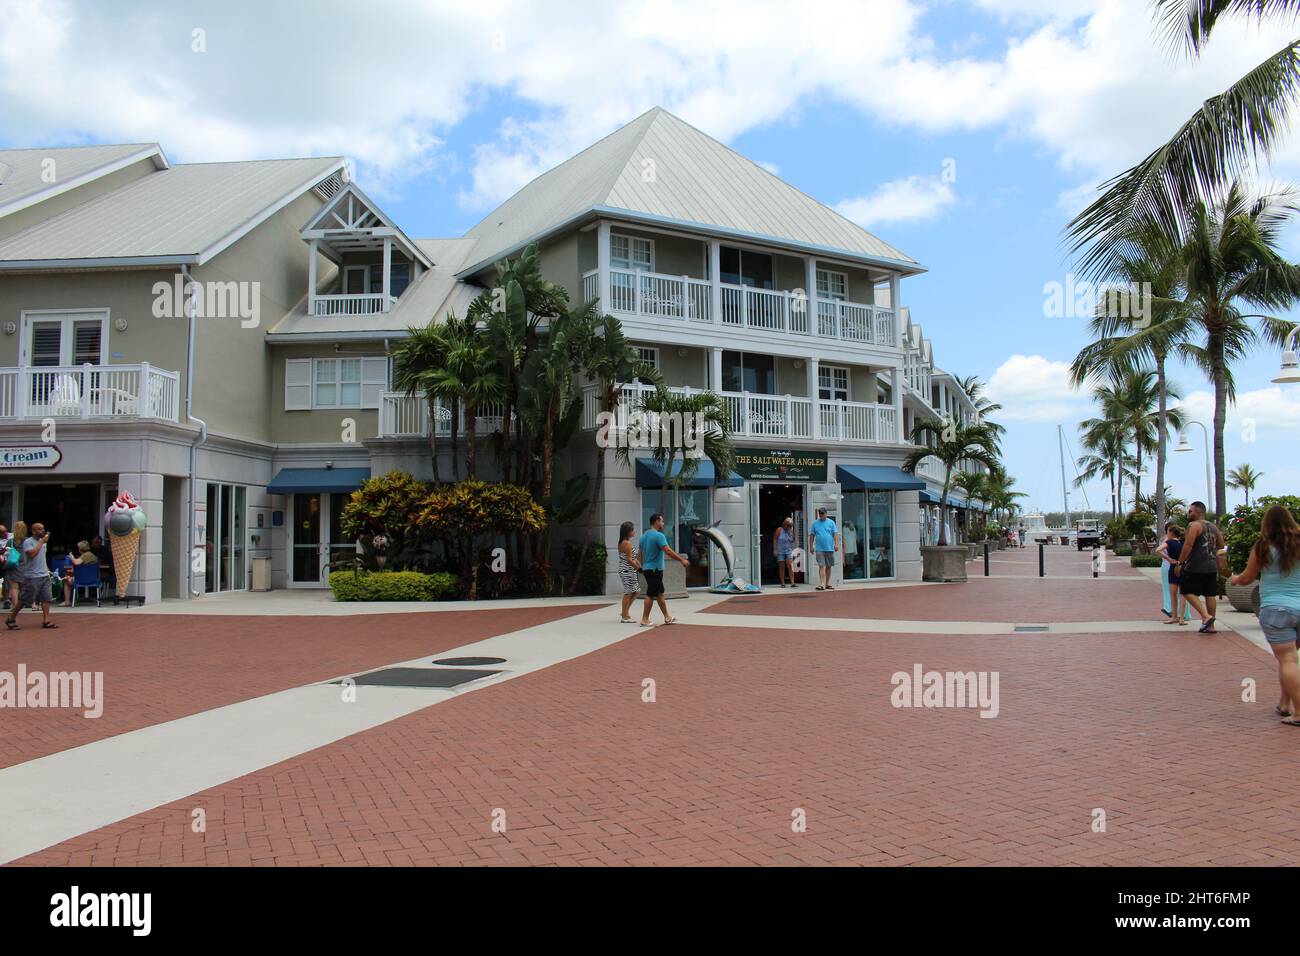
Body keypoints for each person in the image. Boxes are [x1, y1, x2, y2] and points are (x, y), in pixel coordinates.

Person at [1229, 505, 1300, 724]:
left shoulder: (1263, 547)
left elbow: (1248, 577)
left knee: (1287, 659)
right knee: (1290, 660)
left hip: (1276, 609)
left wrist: (1235, 579)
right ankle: (1284, 704)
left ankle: (1299, 713)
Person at [1177, 501, 1224, 633]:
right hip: (1211, 566)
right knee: (1210, 595)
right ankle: (1210, 625)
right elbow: (1221, 544)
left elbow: (1188, 545)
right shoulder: (1214, 527)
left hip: (1196, 566)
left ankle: (1205, 616)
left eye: (1191, 511)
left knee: (1186, 590)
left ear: (1198, 512)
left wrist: (1180, 562)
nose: (1189, 513)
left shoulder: (1195, 526)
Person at [638, 513, 689, 627]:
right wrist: (682, 560)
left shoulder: (643, 536)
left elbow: (640, 554)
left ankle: (667, 617)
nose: (663, 523)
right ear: (656, 521)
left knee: (660, 593)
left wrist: (640, 567)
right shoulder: (659, 536)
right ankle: (644, 619)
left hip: (648, 569)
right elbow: (668, 551)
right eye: (662, 521)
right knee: (651, 593)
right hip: (655, 569)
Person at [7, 521, 56, 630]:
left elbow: (42, 557)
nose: (42, 530)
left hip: (44, 574)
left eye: (43, 528)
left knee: (46, 598)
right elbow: (32, 554)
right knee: (24, 599)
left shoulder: (43, 542)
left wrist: (47, 571)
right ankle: (11, 618)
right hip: (32, 576)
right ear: (33, 531)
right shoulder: (28, 542)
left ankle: (46, 620)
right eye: (39, 529)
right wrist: (42, 541)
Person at [1155, 523, 1191, 625]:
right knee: (1183, 594)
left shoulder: (1169, 542)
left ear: (1171, 533)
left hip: (1173, 567)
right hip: (1183, 567)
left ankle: (1174, 616)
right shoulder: (1183, 542)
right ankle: (1182, 618)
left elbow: (1158, 550)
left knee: (1173, 594)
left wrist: (1169, 559)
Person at [808, 506, 841, 591]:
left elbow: (835, 534)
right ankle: (822, 584)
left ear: (826, 514)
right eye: (820, 513)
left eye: (823, 513)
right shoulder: (815, 523)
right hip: (819, 548)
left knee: (829, 566)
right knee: (821, 565)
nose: (821, 515)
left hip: (829, 547)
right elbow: (812, 535)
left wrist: (836, 544)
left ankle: (827, 583)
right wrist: (811, 546)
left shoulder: (831, 522)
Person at [616, 521, 642, 623]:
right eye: (632, 530)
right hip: (627, 570)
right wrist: (639, 569)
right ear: (628, 532)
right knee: (628, 592)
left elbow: (632, 558)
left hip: (628, 570)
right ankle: (625, 616)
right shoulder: (627, 544)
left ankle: (625, 612)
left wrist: (638, 566)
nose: (634, 532)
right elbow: (629, 560)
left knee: (636, 591)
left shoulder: (623, 542)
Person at [61, 540, 98, 607]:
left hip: (81, 580)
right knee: (69, 577)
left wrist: (71, 556)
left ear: (80, 549)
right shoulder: (92, 555)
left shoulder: (85, 556)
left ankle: (67, 601)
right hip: (93, 580)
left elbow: (76, 562)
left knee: (67, 581)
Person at [773, 517, 796, 588]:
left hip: (789, 550)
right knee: (781, 566)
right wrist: (775, 550)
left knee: (790, 565)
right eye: (787, 525)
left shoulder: (791, 531)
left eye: (790, 526)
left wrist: (794, 550)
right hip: (780, 550)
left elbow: (793, 541)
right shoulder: (779, 530)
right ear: (784, 524)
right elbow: (775, 539)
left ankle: (792, 582)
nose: (788, 527)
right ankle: (782, 583)